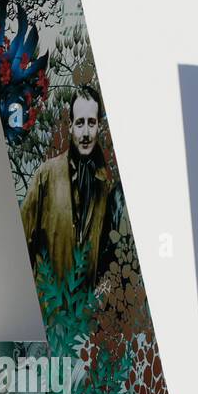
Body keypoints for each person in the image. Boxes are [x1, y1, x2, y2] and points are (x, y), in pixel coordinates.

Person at [20, 83, 122, 289]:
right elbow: (19, 246)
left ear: (99, 126)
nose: (85, 132)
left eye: (91, 123)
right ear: (70, 125)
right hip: (48, 311)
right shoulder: (46, 176)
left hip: (81, 317)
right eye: (80, 123)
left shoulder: (104, 187)